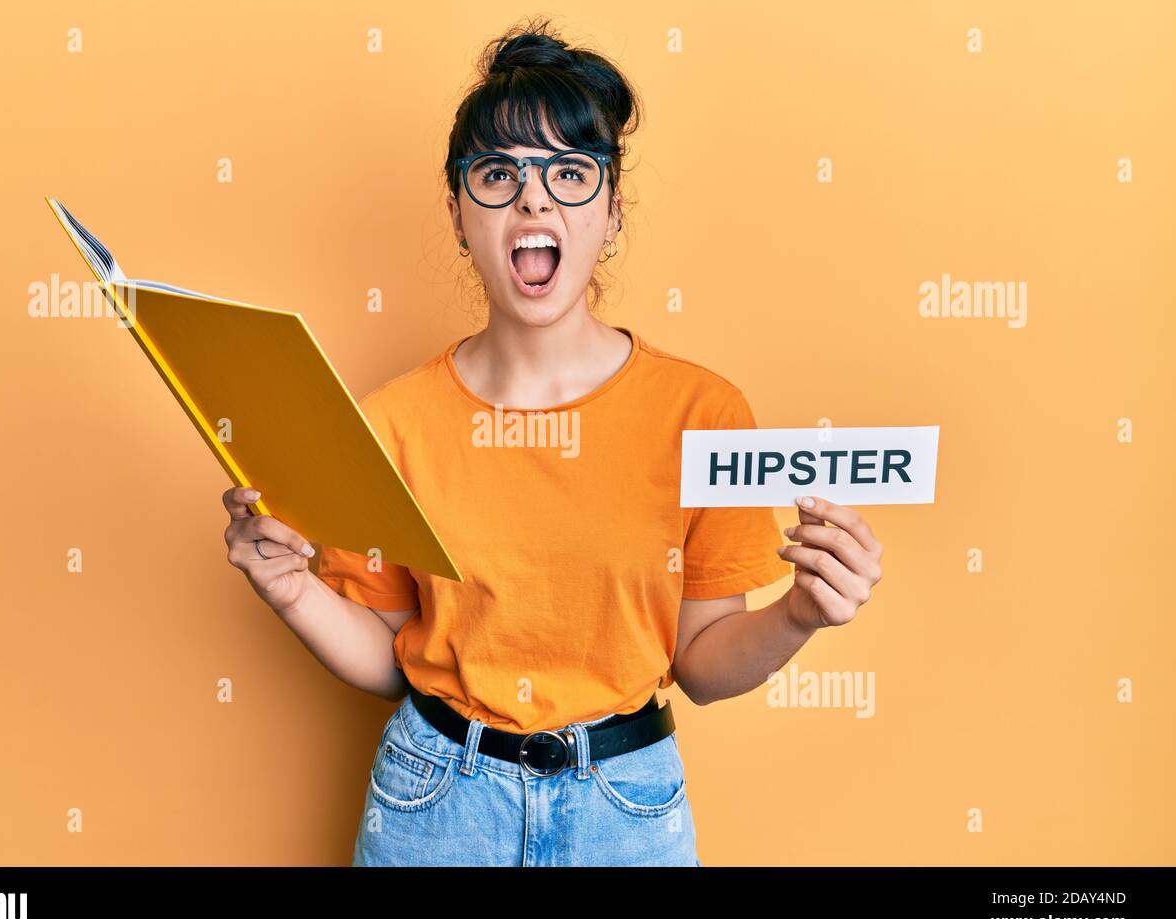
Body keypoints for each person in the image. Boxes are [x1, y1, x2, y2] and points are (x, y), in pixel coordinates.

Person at [219, 17, 884, 866]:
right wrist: (290, 591)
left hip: (627, 808)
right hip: (434, 804)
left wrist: (800, 613)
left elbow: (704, 664)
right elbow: (391, 658)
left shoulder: (702, 412)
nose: (534, 201)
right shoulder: (390, 421)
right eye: (498, 175)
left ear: (610, 213)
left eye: (570, 175)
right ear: (460, 214)